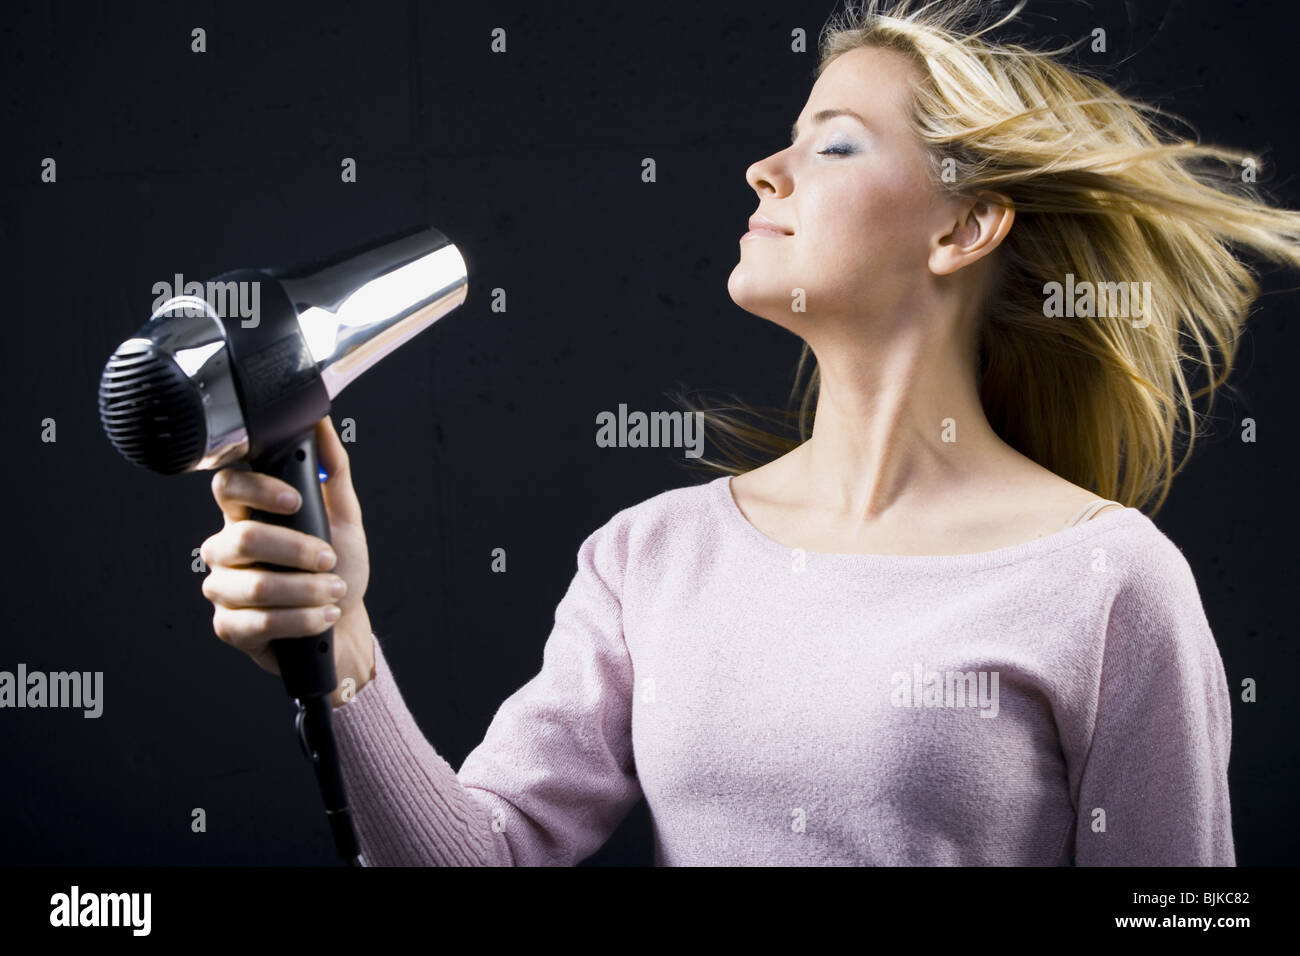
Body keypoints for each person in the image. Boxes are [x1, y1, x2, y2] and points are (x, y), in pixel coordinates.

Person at [199, 0, 1300, 865]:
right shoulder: (651, 556)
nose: (762, 171)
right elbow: (479, 856)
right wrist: (344, 652)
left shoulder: (1107, 582)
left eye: (833, 146)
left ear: (964, 224)